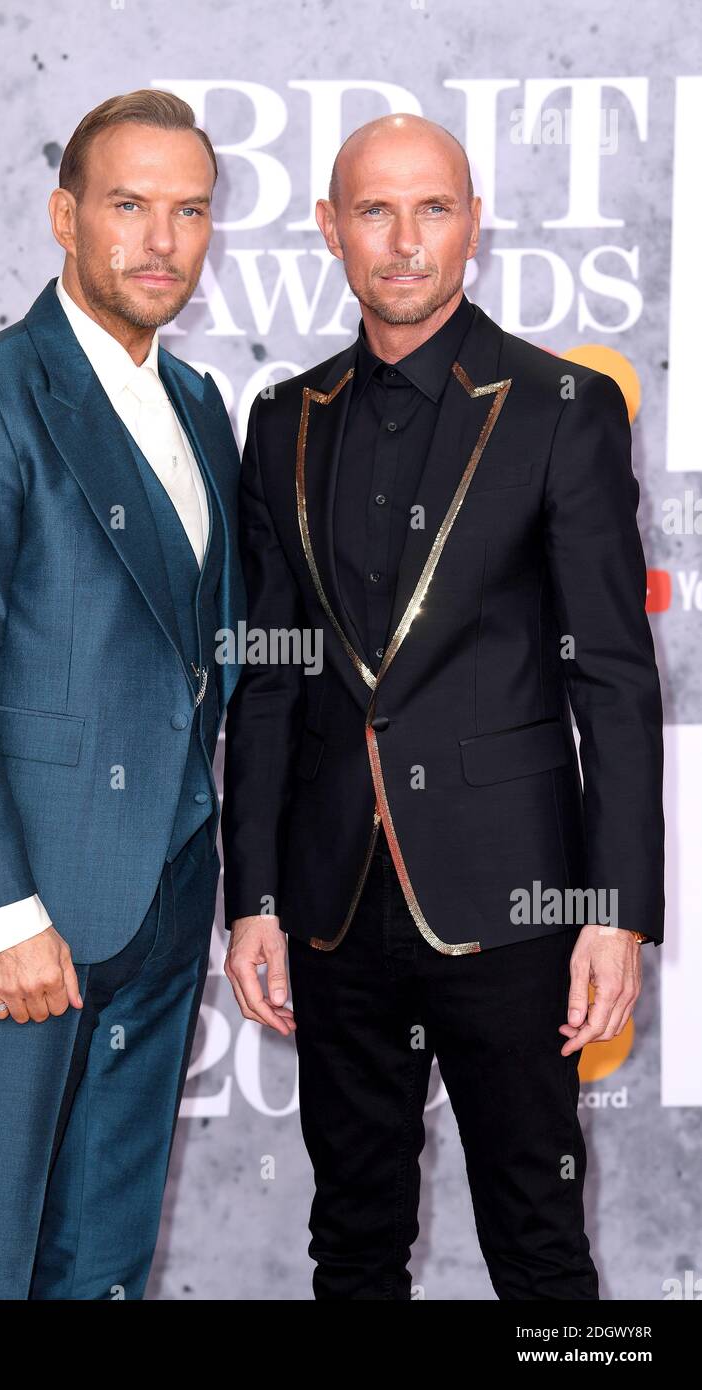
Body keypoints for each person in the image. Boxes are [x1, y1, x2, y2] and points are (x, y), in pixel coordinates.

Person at [221, 113, 664, 1300]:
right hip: (330, 905)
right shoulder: (282, 422)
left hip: (513, 905)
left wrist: (614, 910)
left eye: (431, 209)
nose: (403, 240)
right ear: (329, 228)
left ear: (472, 224)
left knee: (539, 1242)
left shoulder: (558, 406)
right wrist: (252, 895)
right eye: (374, 210)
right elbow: (270, 674)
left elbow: (612, 675)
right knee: (349, 1243)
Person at [0, 89, 245, 1300]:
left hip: (160, 893)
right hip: (25, 911)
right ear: (62, 215)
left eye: (188, 210)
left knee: (102, 1256)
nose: (160, 240)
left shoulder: (199, 407)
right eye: (129, 205)